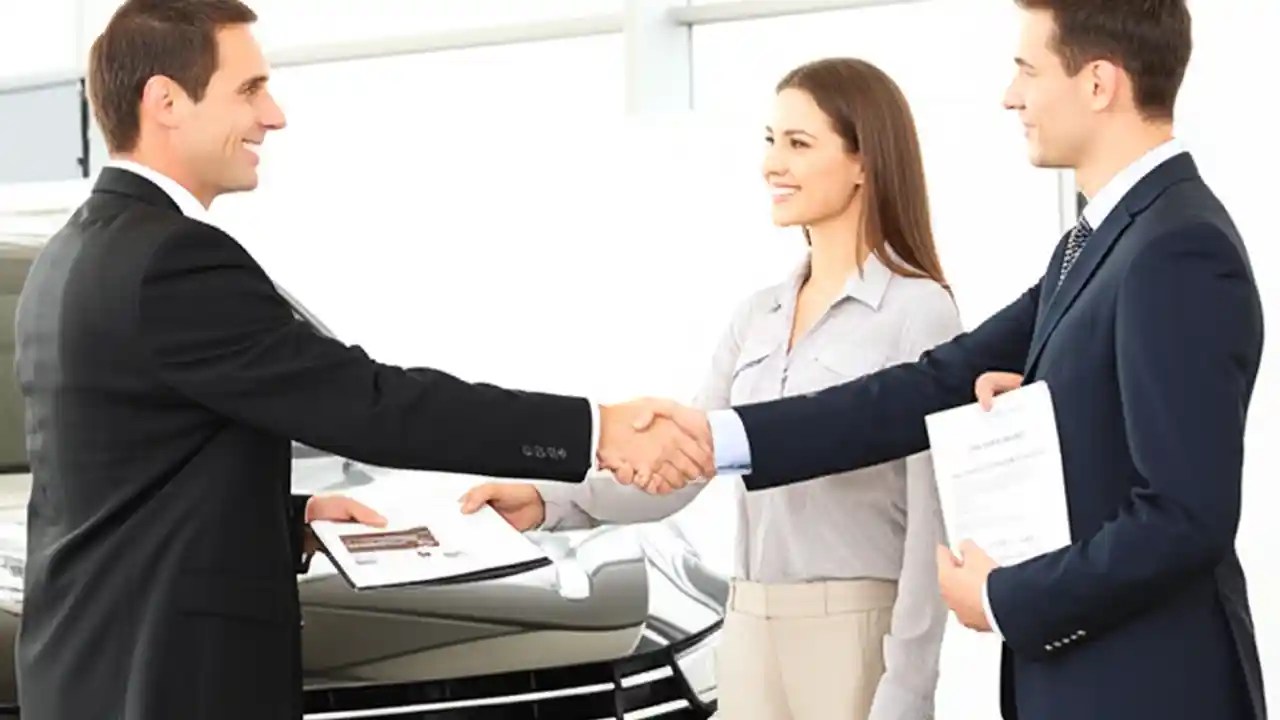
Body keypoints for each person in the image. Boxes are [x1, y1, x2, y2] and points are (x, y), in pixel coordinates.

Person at [12, 2, 711, 719]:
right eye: (249, 89)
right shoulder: (174, 260)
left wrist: (288, 520)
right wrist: (595, 429)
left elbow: (113, 482)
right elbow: (366, 403)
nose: (273, 116)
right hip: (167, 683)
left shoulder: (70, 254)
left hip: (85, 673)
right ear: (165, 101)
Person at [628, 2, 1268, 719]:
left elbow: (1185, 516)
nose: (1011, 96)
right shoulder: (1094, 246)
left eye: (1028, 70)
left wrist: (1001, 597)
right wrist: (718, 435)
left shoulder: (1177, 248)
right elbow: (931, 386)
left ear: (1098, 84)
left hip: (1146, 689)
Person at [462, 57, 962, 720]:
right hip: (747, 626)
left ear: (864, 162)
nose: (771, 165)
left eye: (798, 143)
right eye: (771, 140)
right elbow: (685, 466)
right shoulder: (757, 315)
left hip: (855, 631)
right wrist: (545, 500)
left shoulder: (919, 311)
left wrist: (908, 689)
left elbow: (934, 525)